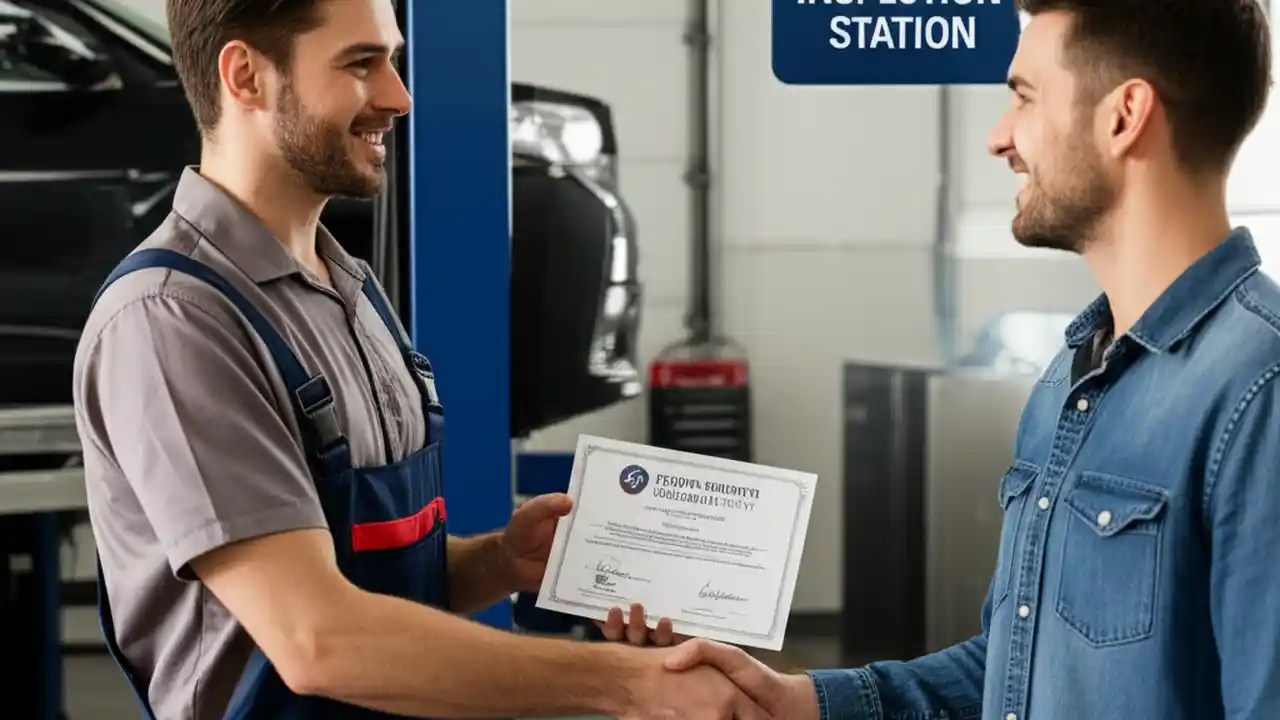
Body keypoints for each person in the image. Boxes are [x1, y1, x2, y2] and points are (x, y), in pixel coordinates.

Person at [71, 1, 754, 718]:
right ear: (246, 76)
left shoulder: (348, 289)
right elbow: (317, 639)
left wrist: (497, 561)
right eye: (361, 63)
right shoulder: (175, 318)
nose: (399, 96)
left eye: (391, 60)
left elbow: (361, 570)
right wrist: (633, 683)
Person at [655, 1, 1280, 719]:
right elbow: (1014, 665)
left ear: (1124, 116)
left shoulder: (1260, 388)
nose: (998, 137)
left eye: (1024, 97)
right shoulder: (1073, 377)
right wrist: (802, 702)